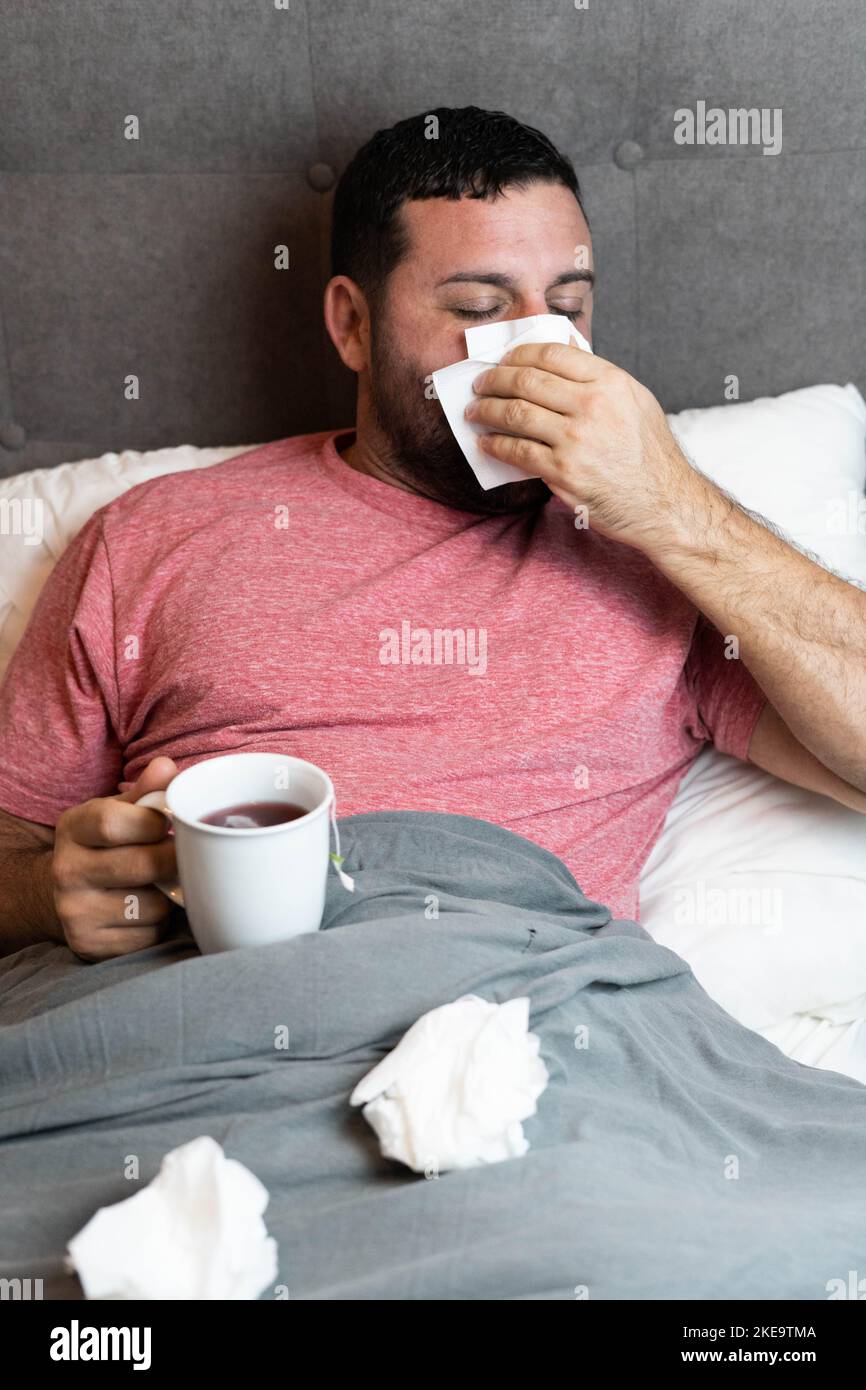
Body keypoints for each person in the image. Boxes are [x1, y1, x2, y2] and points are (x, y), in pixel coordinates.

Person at [1, 106, 864, 962]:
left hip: (534, 1028)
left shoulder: (658, 558)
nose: (539, 350)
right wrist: (50, 891)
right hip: (232, 1021)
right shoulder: (152, 537)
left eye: (567, 307)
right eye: (484, 307)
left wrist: (673, 506)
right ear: (352, 324)